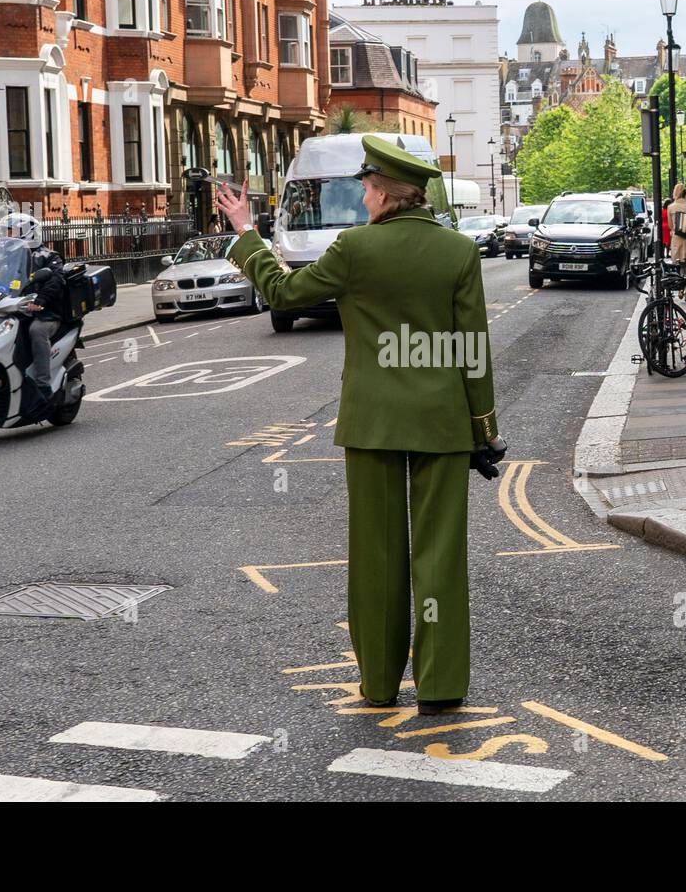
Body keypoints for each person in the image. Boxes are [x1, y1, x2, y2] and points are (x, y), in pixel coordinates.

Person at [213, 136, 505, 715]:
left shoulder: (353, 249)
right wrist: (484, 429)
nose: (364, 199)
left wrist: (247, 232)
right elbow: (474, 350)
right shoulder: (457, 252)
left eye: (367, 189)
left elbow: (283, 292)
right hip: (443, 422)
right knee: (439, 555)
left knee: (376, 554)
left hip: (371, 422)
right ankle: (441, 684)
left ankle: (378, 682)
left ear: (384, 194)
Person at [0, 213, 65, 403]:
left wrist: (41, 300)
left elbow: (56, 280)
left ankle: (43, 384)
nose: (7, 235)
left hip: (44, 313)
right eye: (6, 231)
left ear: (28, 232)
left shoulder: (48, 256)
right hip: (14, 308)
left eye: (12, 231)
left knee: (36, 331)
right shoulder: (8, 258)